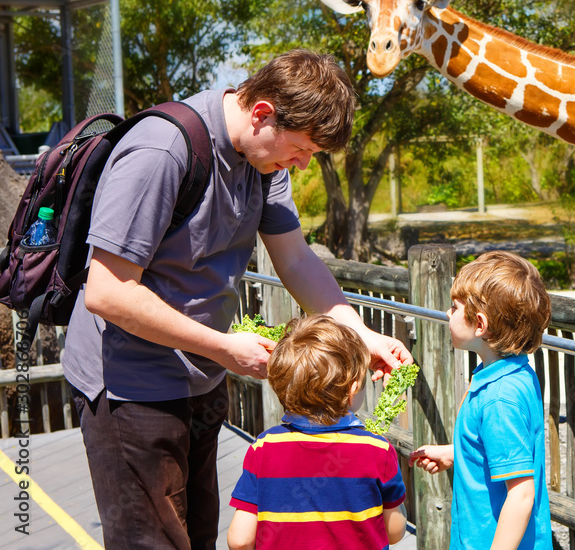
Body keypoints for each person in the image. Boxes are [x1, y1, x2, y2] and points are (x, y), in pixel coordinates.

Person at [63, 49, 413, 549]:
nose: (301, 163)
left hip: (201, 376)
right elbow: (107, 291)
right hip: (129, 383)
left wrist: (361, 333)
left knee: (199, 534)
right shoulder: (164, 150)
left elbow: (294, 259)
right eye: (301, 149)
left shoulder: (265, 160)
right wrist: (224, 348)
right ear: (262, 113)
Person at [408, 250, 552, 549]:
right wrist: (457, 452)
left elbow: (521, 494)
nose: (447, 314)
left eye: (454, 308)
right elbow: (503, 447)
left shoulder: (499, 399)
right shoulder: (513, 373)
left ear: (480, 324)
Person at [227, 315, 407, 550]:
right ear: (352, 389)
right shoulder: (377, 450)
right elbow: (394, 532)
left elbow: (239, 540)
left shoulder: (264, 447)